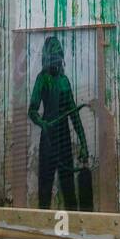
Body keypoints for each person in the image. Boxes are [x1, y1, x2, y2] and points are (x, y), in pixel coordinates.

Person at [27, 35, 89, 209]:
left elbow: (74, 116)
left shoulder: (64, 81)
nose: (55, 61)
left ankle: (74, 224)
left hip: (63, 139)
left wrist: (83, 143)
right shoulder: (42, 79)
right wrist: (42, 123)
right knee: (45, 185)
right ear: (47, 58)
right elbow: (32, 111)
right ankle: (42, 224)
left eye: (57, 57)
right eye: (52, 57)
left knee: (68, 184)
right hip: (48, 137)